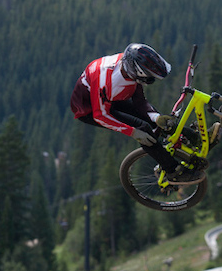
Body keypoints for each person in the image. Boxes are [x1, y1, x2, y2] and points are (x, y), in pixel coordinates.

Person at [70, 43, 213, 184]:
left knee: (157, 120)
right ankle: (173, 171)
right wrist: (133, 132)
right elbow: (100, 116)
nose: (149, 82)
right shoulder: (107, 81)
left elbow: (140, 102)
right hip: (88, 110)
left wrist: (157, 118)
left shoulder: (129, 64)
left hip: (109, 98)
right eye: (149, 78)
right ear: (137, 73)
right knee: (142, 130)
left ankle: (195, 138)